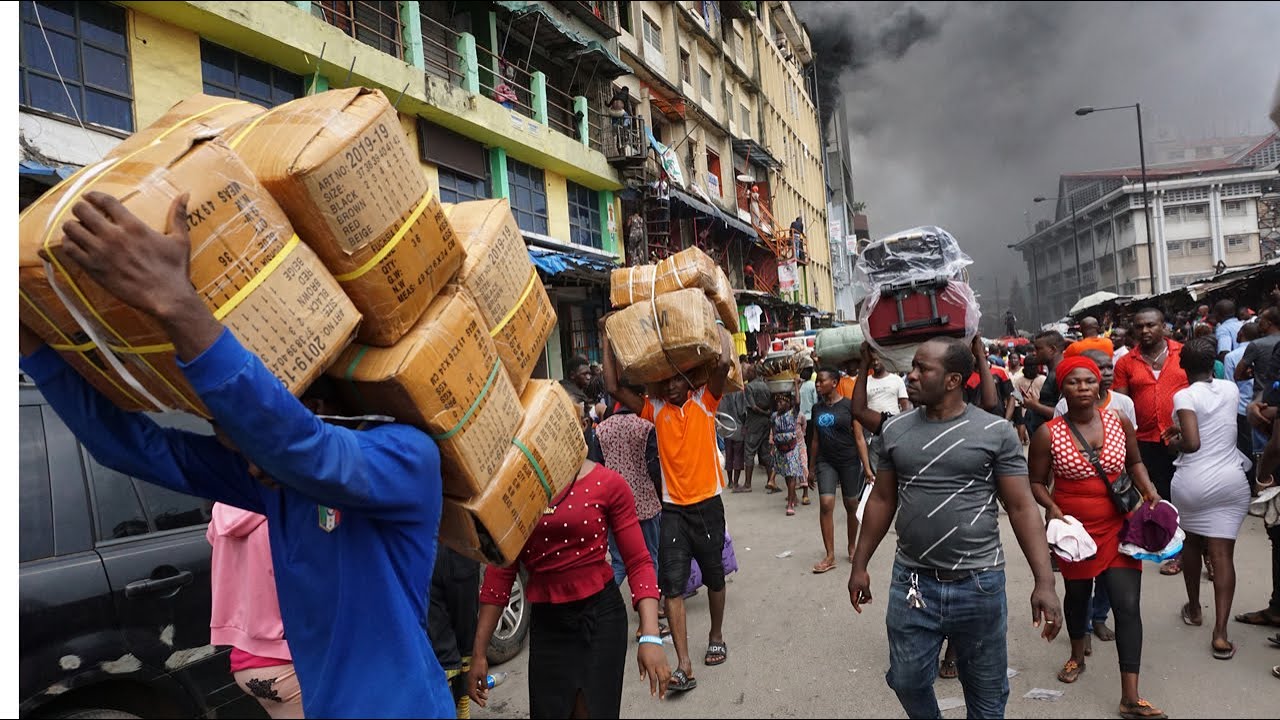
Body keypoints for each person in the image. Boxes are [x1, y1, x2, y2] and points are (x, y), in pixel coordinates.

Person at [21, 191, 454, 716]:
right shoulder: (273, 482)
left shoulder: (406, 458)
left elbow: (302, 447)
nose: (223, 430)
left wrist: (177, 303)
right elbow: (130, 447)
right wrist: (33, 347)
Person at [848, 337, 1063, 720]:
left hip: (979, 582)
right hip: (913, 581)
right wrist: (859, 565)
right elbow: (881, 500)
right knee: (907, 679)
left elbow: (1020, 506)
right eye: (911, 366)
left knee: (986, 691)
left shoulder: (994, 432)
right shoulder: (895, 431)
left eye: (922, 369)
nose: (910, 376)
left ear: (952, 380)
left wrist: (1044, 580)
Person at [468, 456, 671, 718]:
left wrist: (651, 635)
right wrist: (479, 653)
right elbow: (500, 574)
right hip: (548, 626)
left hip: (601, 622)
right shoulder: (514, 492)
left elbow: (639, 561)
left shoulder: (608, 483)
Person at [1028, 357, 1165, 719]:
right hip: (1075, 532)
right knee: (1077, 596)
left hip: (1121, 525)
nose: (1084, 387)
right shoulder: (1048, 433)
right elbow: (1036, 482)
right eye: (1075, 382)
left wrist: (1149, 489)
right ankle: (1075, 655)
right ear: (1063, 388)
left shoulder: (1119, 420)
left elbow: (1134, 463)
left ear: (1099, 385)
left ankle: (1130, 696)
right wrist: (1052, 508)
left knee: (1127, 605)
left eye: (1090, 381)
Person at [603, 322, 735, 693]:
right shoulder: (654, 409)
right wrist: (608, 338)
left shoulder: (705, 404)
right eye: (667, 382)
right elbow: (614, 387)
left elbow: (723, 363)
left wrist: (718, 322)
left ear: (690, 382)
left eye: (678, 380)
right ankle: (684, 666)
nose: (672, 386)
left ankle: (716, 635)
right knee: (671, 587)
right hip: (672, 510)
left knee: (714, 578)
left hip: (708, 504)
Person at [1162, 337, 1252, 660]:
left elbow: (1193, 442)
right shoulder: (1229, 389)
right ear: (1213, 362)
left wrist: (1173, 442)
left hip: (1194, 482)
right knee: (1223, 555)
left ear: (1183, 365)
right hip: (1231, 480)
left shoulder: (1184, 395)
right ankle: (1221, 633)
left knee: (1191, 544)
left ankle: (1196, 608)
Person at [207, 504, 303, 719]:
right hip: (286, 657)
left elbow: (213, 538)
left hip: (246, 660)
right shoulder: (286, 511)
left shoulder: (224, 506)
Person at [1114, 308, 1190, 576]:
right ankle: (1174, 551)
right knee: (1159, 495)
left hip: (1184, 438)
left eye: (1151, 325)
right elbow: (1121, 403)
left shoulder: (1183, 353)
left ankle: (1204, 554)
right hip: (1145, 439)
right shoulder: (1126, 362)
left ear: (1163, 327)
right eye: (1139, 326)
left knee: (1189, 496)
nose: (1145, 331)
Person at [596, 386, 664, 606]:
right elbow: (655, 469)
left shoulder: (601, 430)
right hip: (646, 504)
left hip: (614, 507)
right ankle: (651, 613)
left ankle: (599, 605)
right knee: (649, 559)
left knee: (618, 562)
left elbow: (597, 469)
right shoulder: (645, 427)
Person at [809, 366, 873, 573]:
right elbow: (815, 440)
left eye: (821, 381)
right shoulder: (817, 409)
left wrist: (868, 468)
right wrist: (810, 467)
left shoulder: (849, 406)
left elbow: (859, 438)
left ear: (834, 383)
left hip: (849, 461)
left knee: (851, 504)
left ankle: (852, 545)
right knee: (826, 503)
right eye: (817, 381)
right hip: (825, 462)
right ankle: (829, 556)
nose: (818, 384)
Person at [428, 546, 481, 718]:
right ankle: (458, 708)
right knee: (454, 646)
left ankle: (460, 706)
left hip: (430, 550)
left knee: (450, 646)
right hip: (458, 547)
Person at [1054, 349, 1137, 427]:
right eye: (1100, 368)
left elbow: (1130, 438)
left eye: (1110, 367)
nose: (1108, 373)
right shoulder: (1064, 405)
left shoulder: (1124, 402)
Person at [1225, 321, 1262, 487]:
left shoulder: (1231, 356)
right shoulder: (1265, 350)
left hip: (1241, 409)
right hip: (1264, 406)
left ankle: (1251, 482)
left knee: (1246, 449)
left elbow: (1229, 384)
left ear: (1242, 334)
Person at [772, 391, 809, 515]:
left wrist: (796, 385)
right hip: (780, 450)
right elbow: (773, 431)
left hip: (792, 449)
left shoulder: (793, 414)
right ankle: (793, 497)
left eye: (781, 402)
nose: (778, 404)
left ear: (788, 404)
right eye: (777, 402)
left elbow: (797, 402)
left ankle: (790, 504)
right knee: (787, 476)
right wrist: (773, 446)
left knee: (792, 475)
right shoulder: (774, 416)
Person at [1023, 330, 1067, 427]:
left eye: (1038, 349)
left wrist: (1034, 405)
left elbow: (1065, 414)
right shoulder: (1053, 372)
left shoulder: (1063, 374)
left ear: (1052, 349)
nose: (1034, 353)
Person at [743, 364, 774, 493]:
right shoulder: (766, 385)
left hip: (754, 423)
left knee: (749, 452)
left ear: (752, 373)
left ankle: (748, 484)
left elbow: (753, 407)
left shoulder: (749, 387)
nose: (745, 374)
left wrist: (763, 412)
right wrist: (767, 413)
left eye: (747, 372)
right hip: (765, 423)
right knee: (766, 452)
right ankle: (770, 481)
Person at [719, 384, 748, 490]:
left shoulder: (722, 392)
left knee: (729, 455)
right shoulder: (738, 392)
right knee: (738, 455)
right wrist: (745, 424)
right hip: (737, 426)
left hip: (725, 427)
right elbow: (742, 411)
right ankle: (735, 483)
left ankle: (730, 482)